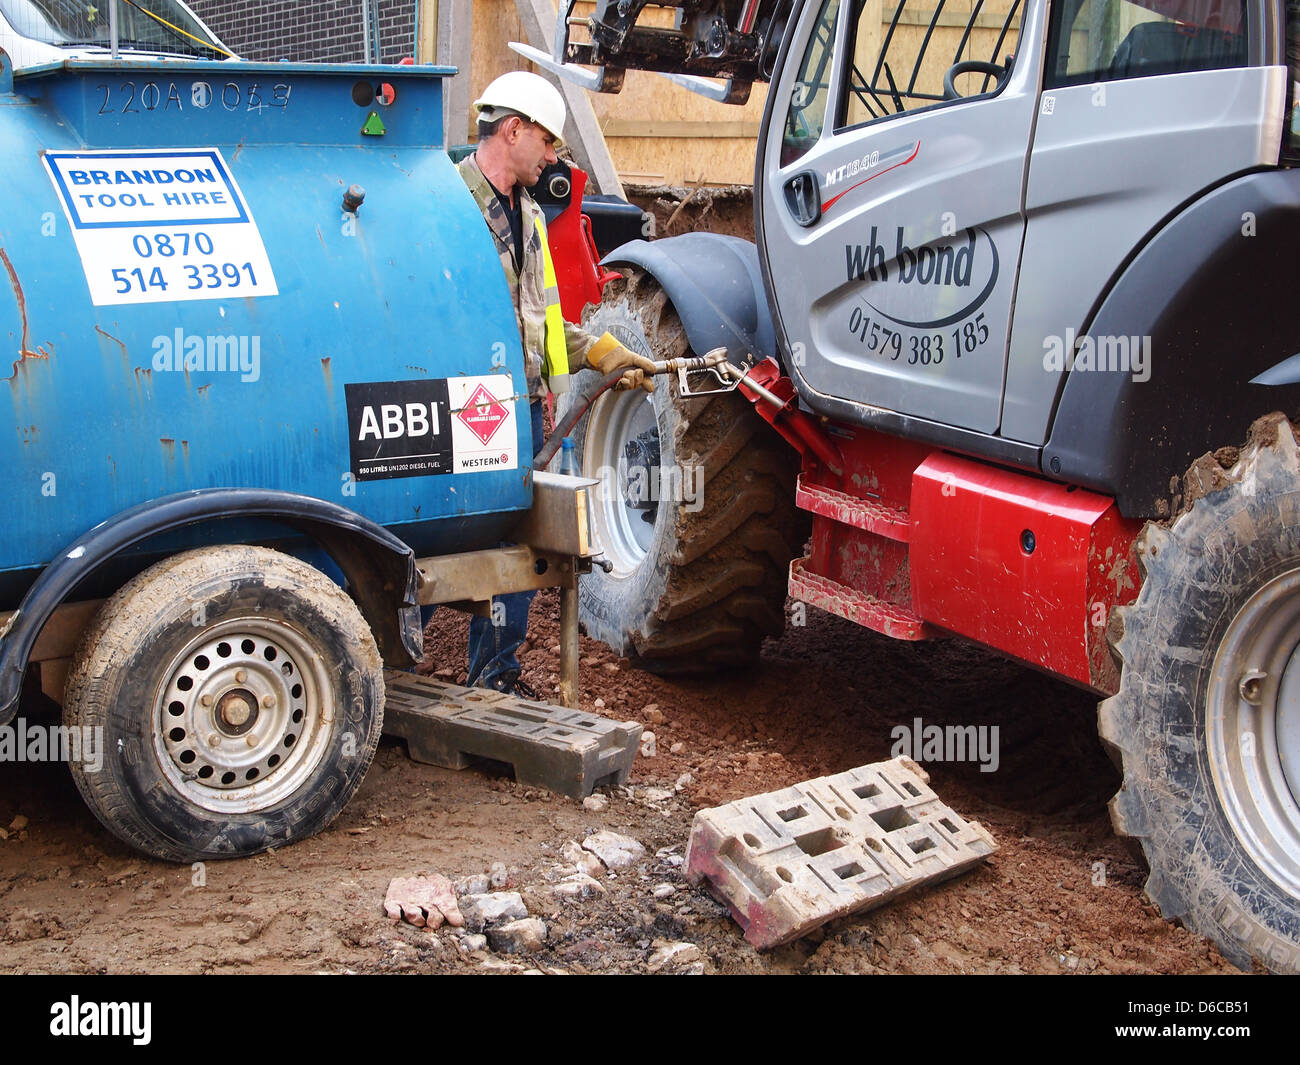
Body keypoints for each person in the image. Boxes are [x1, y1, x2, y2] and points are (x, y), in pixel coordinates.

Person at [450, 70, 656, 696]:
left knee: (518, 536)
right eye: (548, 141)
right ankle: (388, 666)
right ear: (514, 130)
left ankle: (496, 674)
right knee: (444, 539)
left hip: (518, 409)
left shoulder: (532, 215)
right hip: (460, 404)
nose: (554, 157)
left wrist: (594, 347)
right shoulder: (448, 205)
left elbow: (533, 319)